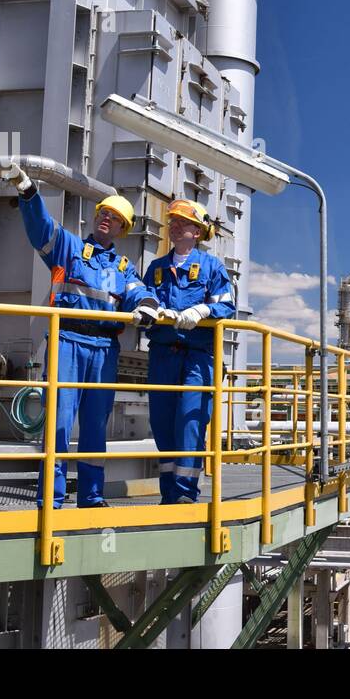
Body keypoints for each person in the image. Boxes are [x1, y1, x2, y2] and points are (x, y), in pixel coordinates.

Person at [3, 163, 160, 508]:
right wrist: (28, 191)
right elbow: (41, 228)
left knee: (94, 426)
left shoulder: (123, 269)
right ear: (96, 216)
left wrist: (148, 305)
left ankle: (91, 495)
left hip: (104, 349)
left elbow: (139, 292)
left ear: (122, 229)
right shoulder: (70, 250)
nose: (107, 219)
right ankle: (52, 497)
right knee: (59, 423)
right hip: (67, 343)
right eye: (104, 213)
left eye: (114, 218)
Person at [143, 199, 236, 504]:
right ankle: (168, 493)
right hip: (162, 355)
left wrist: (201, 310)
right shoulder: (157, 269)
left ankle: (184, 494)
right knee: (162, 421)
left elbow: (227, 305)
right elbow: (147, 301)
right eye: (173, 221)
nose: (175, 226)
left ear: (197, 231)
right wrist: (145, 310)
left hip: (198, 357)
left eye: (183, 222)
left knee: (190, 422)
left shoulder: (211, 267)